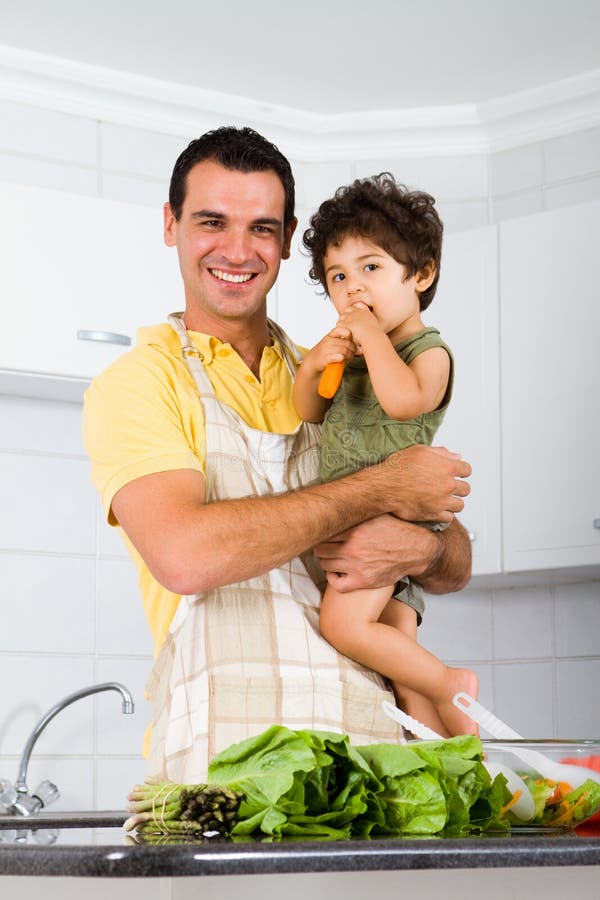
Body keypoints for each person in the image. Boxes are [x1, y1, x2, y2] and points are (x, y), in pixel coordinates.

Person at [82, 126, 472, 782]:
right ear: (171, 224)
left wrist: (424, 548)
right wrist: (379, 490)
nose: (237, 250)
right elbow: (185, 555)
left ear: (288, 239)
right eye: (212, 221)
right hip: (225, 768)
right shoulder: (141, 382)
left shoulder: (339, 372)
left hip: (368, 761)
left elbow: (454, 557)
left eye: (261, 228)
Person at [293, 174, 478, 737]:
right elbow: (309, 410)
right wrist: (316, 363)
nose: (353, 288)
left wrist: (370, 338)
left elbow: (404, 401)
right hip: (362, 516)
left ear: (421, 274)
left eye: (370, 267)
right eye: (338, 276)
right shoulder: (351, 356)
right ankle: (455, 754)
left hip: (393, 521)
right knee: (401, 669)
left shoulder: (429, 352)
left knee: (343, 626)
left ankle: (450, 683)